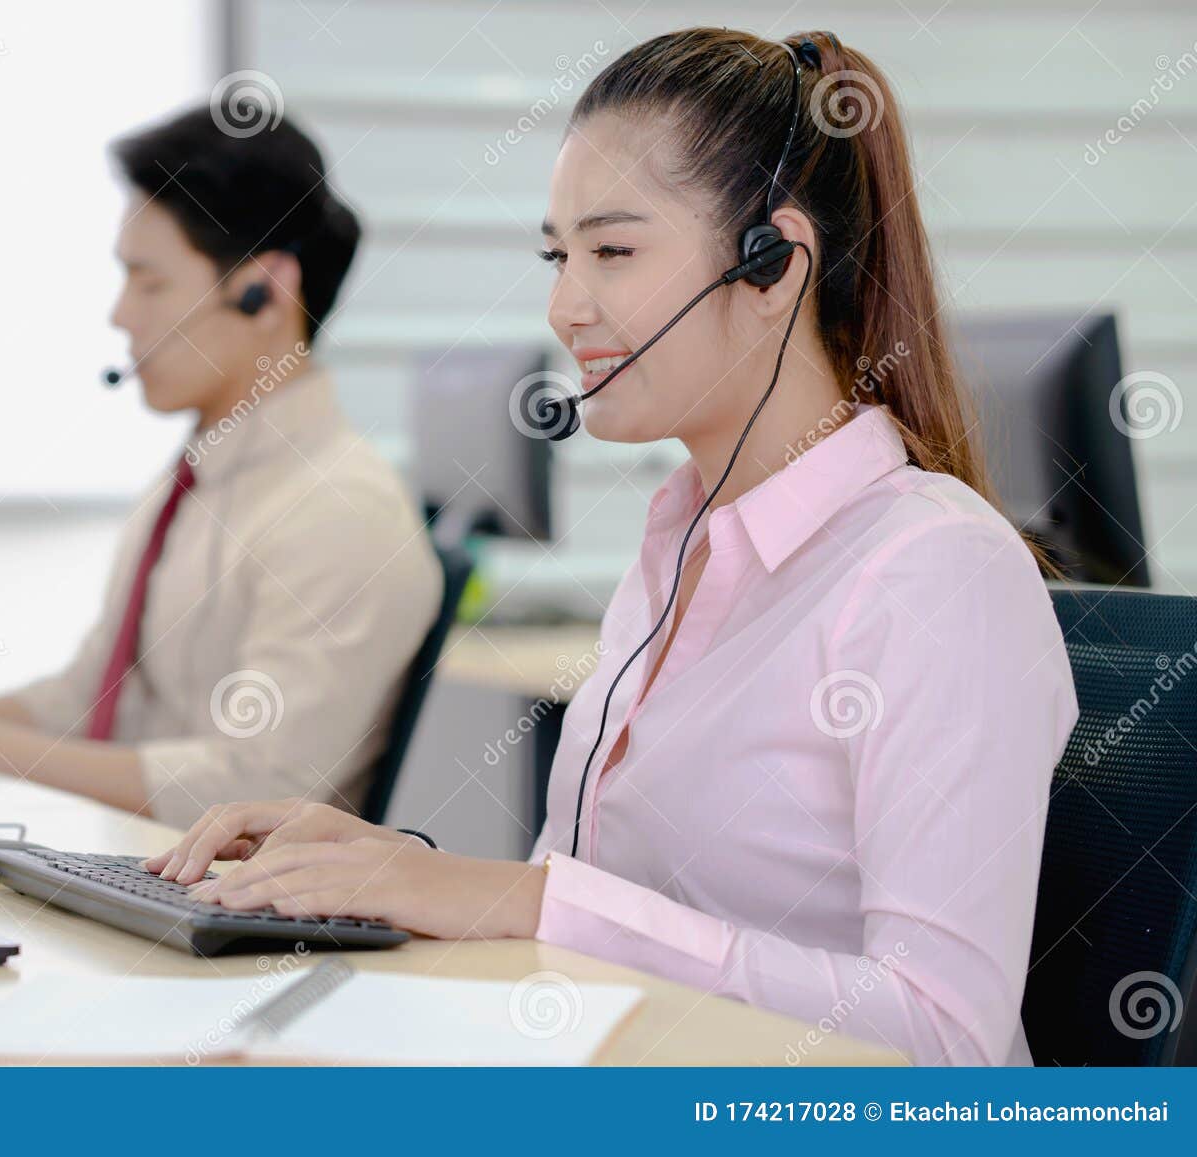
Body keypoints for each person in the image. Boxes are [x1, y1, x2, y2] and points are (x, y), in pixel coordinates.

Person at [145, 28, 1079, 1067]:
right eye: (558, 255)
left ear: (771, 267)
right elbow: (585, 915)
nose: (564, 305)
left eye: (613, 251)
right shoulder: (676, 548)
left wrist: (520, 898)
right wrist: (387, 873)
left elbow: (941, 1035)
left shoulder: (933, 572)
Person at [0, 106, 443, 826]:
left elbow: (251, 782)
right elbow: (89, 697)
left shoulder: (342, 509)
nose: (122, 315)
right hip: (126, 876)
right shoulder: (191, 478)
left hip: (235, 920)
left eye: (149, 283)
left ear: (265, 291)